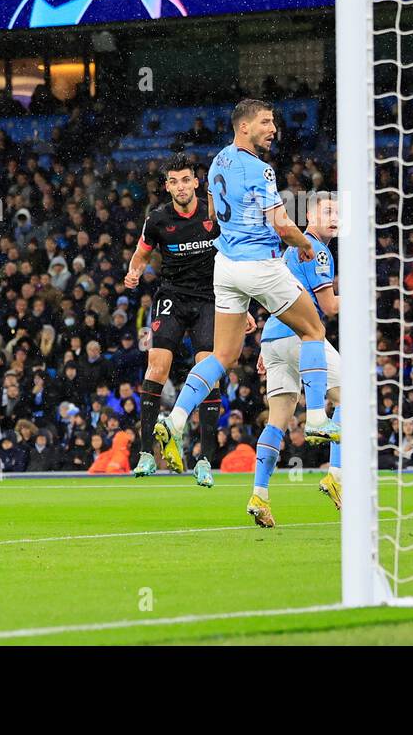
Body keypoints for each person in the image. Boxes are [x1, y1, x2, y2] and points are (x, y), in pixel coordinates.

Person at [160, 100, 334, 529]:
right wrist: (304, 244)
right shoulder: (260, 169)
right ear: (244, 126)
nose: (273, 128)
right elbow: (280, 225)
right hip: (259, 265)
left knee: (223, 354)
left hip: (226, 266)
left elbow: (222, 213)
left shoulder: (219, 159)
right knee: (313, 328)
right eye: (265, 122)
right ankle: (315, 418)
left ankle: (175, 419)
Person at [123, 153, 254, 486]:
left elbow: (236, 257)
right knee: (156, 367)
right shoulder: (157, 219)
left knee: (207, 370)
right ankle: (146, 455)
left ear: (196, 183)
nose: (180, 187)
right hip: (172, 296)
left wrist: (244, 307)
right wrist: (134, 273)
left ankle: (205, 459)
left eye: (186, 180)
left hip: (211, 298)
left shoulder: (215, 215)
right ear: (167, 186)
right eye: (173, 181)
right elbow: (141, 254)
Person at [256, 193, 343, 514]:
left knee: (277, 420)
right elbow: (329, 307)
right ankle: (336, 475)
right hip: (300, 337)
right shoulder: (316, 250)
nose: (336, 217)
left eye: (339, 212)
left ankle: (259, 494)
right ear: (310, 216)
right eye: (329, 211)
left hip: (273, 338)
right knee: (349, 396)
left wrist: (268, 344)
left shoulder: (288, 251)